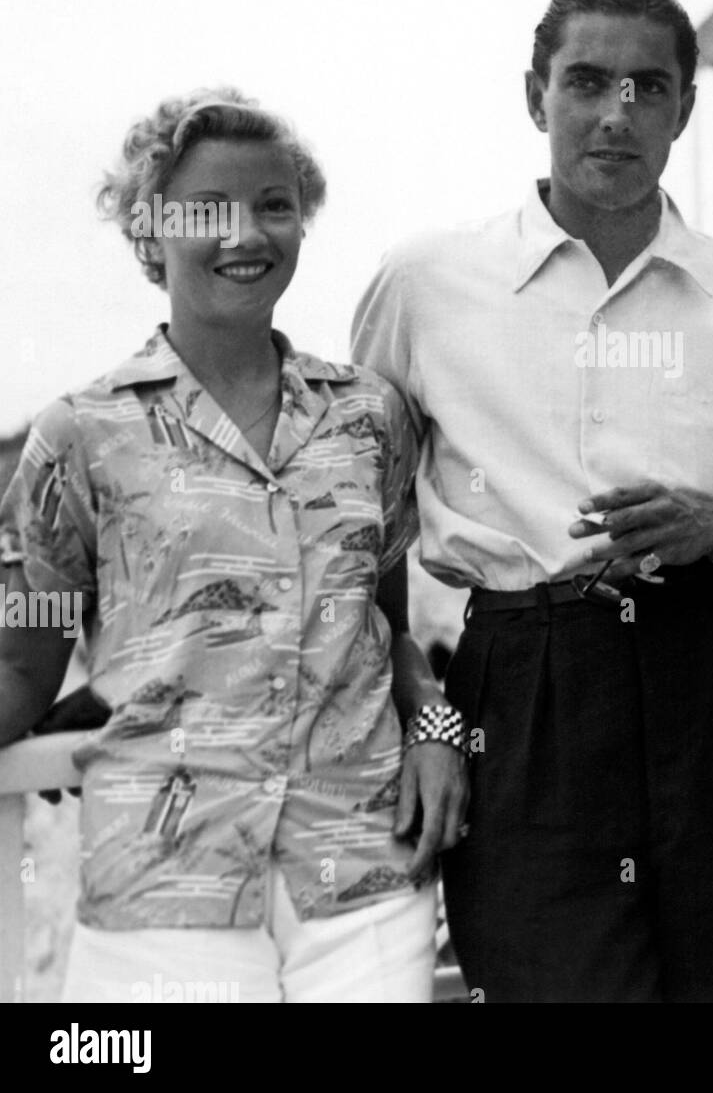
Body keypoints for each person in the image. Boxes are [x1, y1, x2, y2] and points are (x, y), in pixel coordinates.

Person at [352, 0, 713, 1003]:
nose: (615, 115)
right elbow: (366, 546)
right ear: (535, 96)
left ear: (683, 108)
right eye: (586, 82)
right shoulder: (423, 286)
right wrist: (428, 723)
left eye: (648, 88)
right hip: (526, 691)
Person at [0, 88, 467, 1002]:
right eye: (208, 209)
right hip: (163, 891)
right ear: (150, 228)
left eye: (274, 205)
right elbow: (22, 667)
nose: (245, 234)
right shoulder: (77, 437)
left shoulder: (370, 418)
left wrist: (437, 725)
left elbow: (383, 629)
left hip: (363, 877)